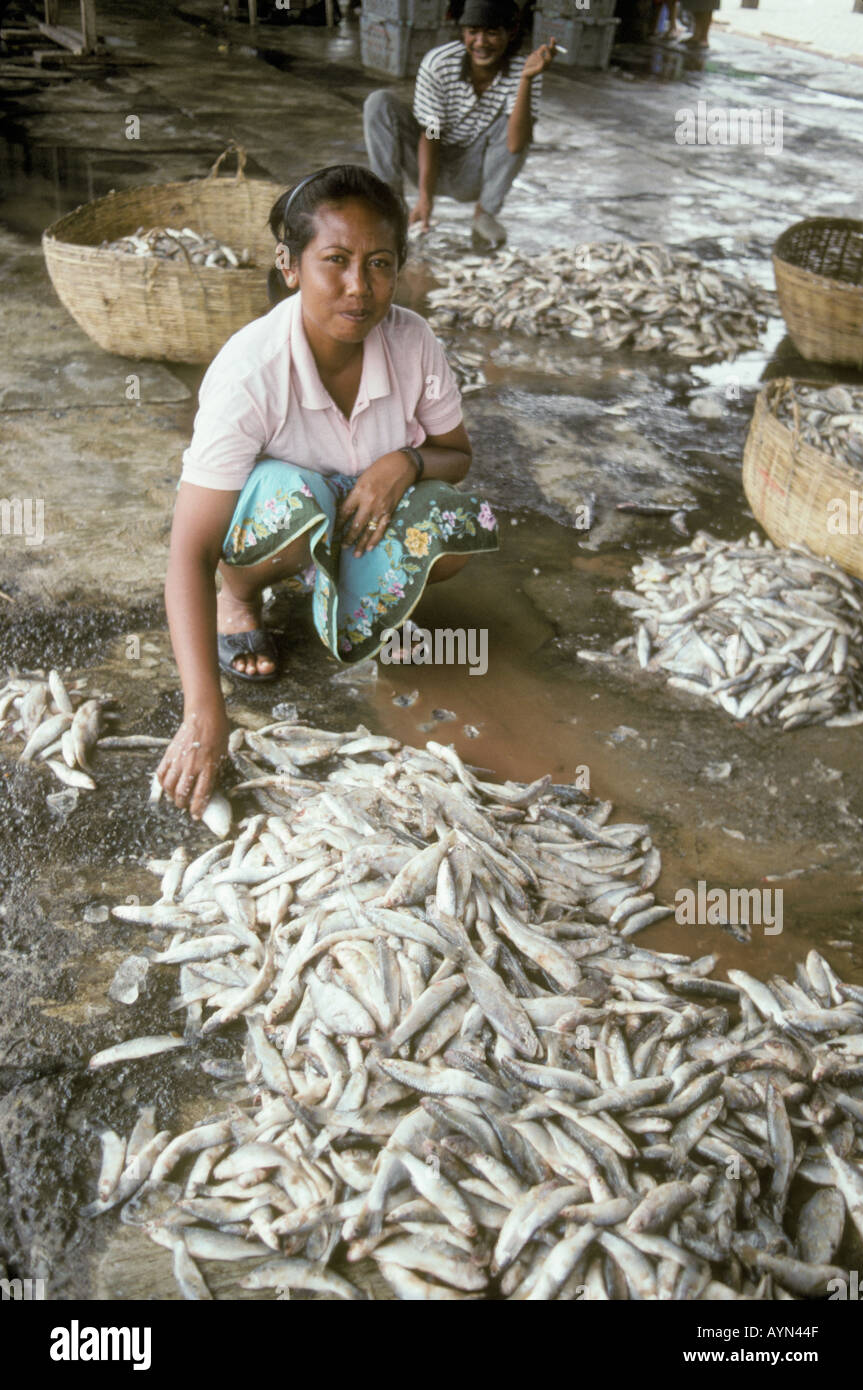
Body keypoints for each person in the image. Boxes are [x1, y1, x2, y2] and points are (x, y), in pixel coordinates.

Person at [157, 164, 498, 818]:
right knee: (301, 496)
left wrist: (405, 462)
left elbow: (456, 454)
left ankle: (342, 590)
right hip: (276, 515)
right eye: (335, 261)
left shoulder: (413, 341)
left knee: (453, 532)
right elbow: (188, 553)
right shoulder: (249, 370)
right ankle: (243, 599)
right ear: (290, 265)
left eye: (379, 264)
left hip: (355, 507)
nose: (358, 288)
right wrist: (205, 715)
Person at [363, 0, 556, 249]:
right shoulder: (439, 64)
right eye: (472, 32)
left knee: (519, 124)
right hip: (428, 163)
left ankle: (484, 214)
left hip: (474, 173)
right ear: (462, 32)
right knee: (378, 103)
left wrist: (527, 79)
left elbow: (516, 142)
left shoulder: (525, 69)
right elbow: (431, 132)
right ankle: (390, 208)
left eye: (492, 32)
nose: (481, 42)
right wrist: (425, 198)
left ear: (511, 33)